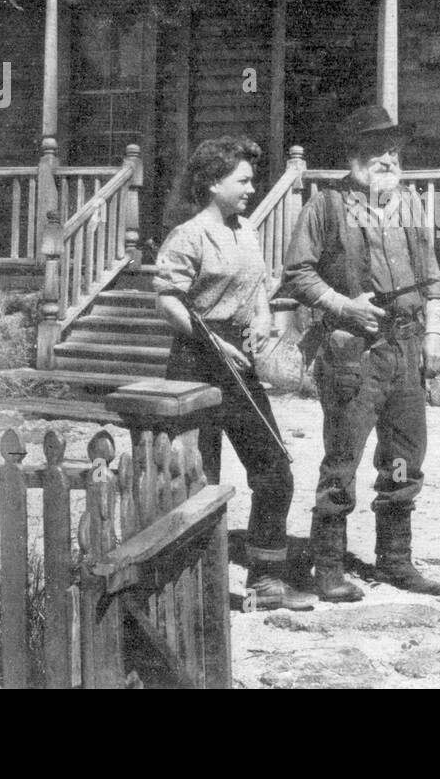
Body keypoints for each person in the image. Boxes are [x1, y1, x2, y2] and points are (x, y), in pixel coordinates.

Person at [279, 104, 440, 602]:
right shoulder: (326, 207)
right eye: (376, 151)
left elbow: (433, 278)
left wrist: (435, 334)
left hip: (406, 348)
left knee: (403, 456)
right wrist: (344, 306)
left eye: (393, 150)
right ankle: (327, 566)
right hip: (353, 354)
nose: (387, 160)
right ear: (354, 157)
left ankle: (395, 560)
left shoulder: (412, 205)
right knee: (343, 458)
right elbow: (298, 274)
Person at [154, 136, 316, 612]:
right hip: (195, 361)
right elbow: (167, 300)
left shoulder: (246, 229)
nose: (250, 188)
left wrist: (262, 317)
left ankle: (266, 581)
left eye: (251, 180)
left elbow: (259, 285)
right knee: (198, 479)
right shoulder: (188, 235)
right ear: (211, 183)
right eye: (241, 180)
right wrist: (212, 340)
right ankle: (194, 590)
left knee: (274, 469)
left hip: (238, 361)